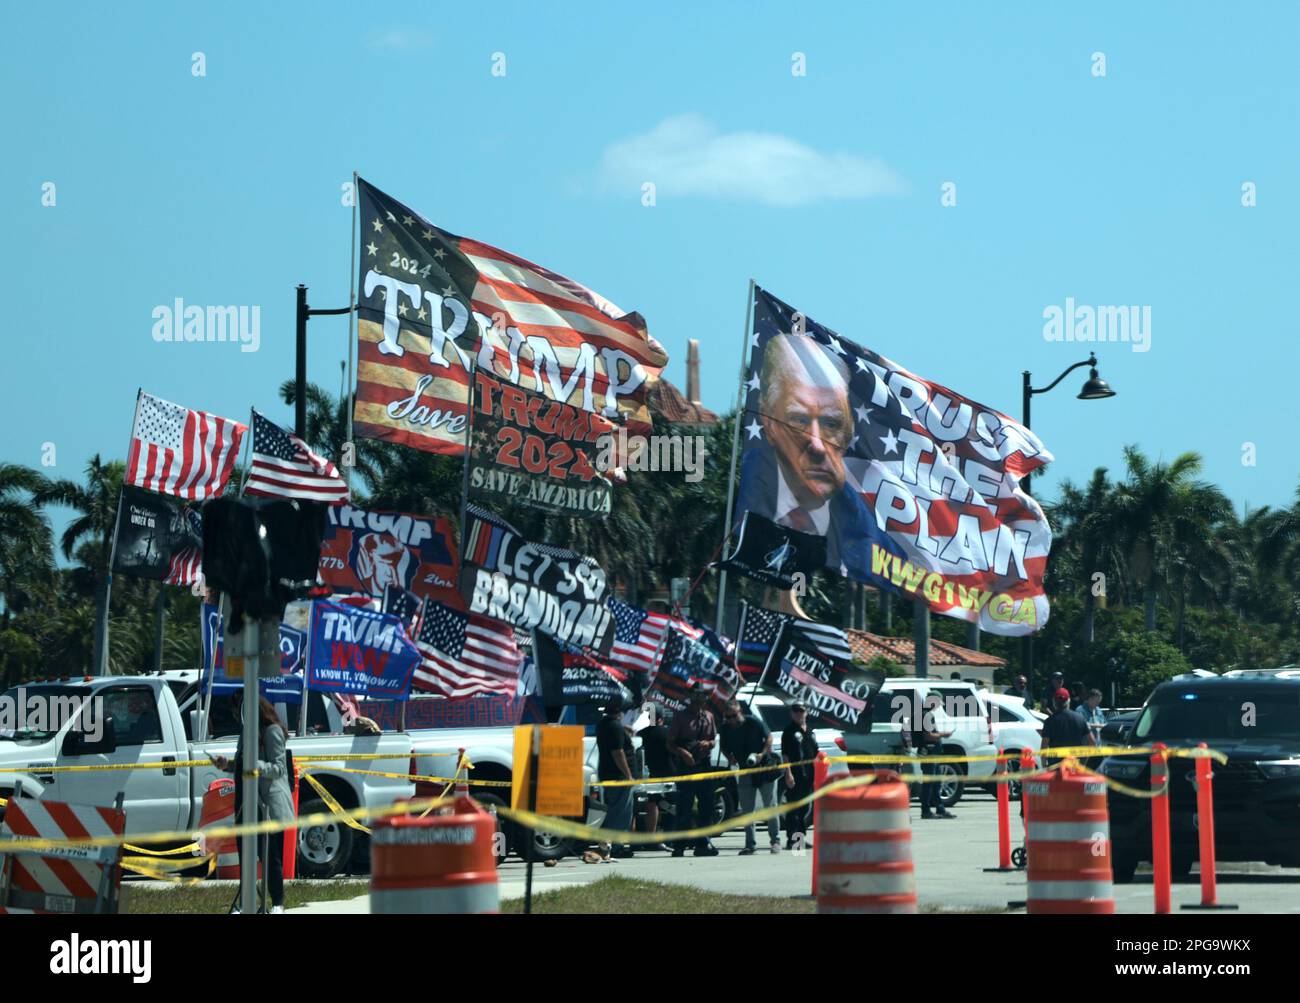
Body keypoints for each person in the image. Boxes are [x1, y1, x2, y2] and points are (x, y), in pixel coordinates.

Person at [736, 332, 904, 573]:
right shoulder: (742, 491)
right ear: (768, 422)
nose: (816, 445)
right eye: (799, 421)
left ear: (849, 432)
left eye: (831, 424)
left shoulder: (875, 541)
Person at [212, 695, 295, 913]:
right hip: (244, 802)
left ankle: (277, 903)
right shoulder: (246, 733)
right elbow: (242, 765)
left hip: (267, 804)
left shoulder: (272, 731)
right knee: (246, 854)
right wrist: (227, 765)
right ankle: (246, 901)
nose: (237, 716)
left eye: (239, 710)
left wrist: (255, 763)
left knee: (270, 856)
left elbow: (278, 769)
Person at [720, 699, 781, 855]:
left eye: (733, 716)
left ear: (740, 711)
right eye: (728, 717)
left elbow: (769, 737)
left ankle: (776, 841)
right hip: (745, 771)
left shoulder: (753, 722)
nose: (731, 720)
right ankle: (750, 844)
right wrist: (730, 757)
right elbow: (724, 747)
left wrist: (762, 753)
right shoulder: (726, 729)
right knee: (747, 810)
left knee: (770, 806)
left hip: (763, 768)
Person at [666, 687, 720, 857]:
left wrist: (708, 744)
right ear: (690, 698)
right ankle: (679, 846)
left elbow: (714, 740)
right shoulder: (680, 716)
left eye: (702, 699)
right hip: (686, 766)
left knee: (706, 806)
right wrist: (683, 753)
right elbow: (670, 743)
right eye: (696, 698)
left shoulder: (709, 716)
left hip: (704, 765)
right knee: (684, 807)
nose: (699, 702)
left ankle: (702, 844)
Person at [595, 694, 637, 860]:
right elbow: (618, 753)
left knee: (614, 810)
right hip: (618, 776)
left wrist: (623, 729)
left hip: (608, 773)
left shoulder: (605, 725)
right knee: (620, 812)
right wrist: (628, 775)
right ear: (619, 712)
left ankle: (609, 846)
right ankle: (617, 846)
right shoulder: (614, 727)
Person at [634, 704, 672, 852]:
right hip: (668, 773)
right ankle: (669, 838)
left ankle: (645, 838)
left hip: (646, 773)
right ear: (662, 718)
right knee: (670, 807)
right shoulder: (667, 733)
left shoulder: (641, 734)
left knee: (650, 804)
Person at [781, 702, 818, 850]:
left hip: (808, 774)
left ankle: (800, 838)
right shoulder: (789, 731)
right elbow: (785, 755)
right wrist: (788, 773)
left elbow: (815, 752)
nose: (799, 714)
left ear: (806, 713)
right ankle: (792, 839)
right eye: (796, 711)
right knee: (794, 808)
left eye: (801, 711)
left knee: (805, 808)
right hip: (795, 774)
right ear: (791, 713)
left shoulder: (809, 731)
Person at [912, 692, 955, 820]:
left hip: (929, 752)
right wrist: (944, 735)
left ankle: (940, 809)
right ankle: (926, 810)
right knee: (929, 783)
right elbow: (928, 735)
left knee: (935, 783)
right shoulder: (926, 715)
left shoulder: (921, 714)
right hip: (929, 753)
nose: (937, 706)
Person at [1039, 688, 1096, 753]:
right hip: (1075, 762)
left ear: (1053, 702)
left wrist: (1044, 763)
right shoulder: (1080, 719)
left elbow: (1044, 746)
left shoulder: (1049, 721)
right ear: (1069, 700)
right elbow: (1092, 742)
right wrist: (1084, 759)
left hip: (1056, 762)